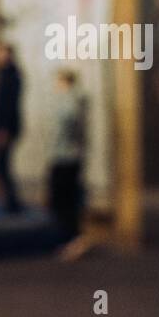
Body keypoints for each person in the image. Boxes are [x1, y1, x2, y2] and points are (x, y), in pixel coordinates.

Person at [48, 68, 92, 262]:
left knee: (64, 201)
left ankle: (74, 239)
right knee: (64, 200)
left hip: (66, 157)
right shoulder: (76, 100)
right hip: (69, 156)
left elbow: (69, 124)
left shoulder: (70, 101)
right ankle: (70, 239)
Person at [0, 42, 23, 213]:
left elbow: (7, 106)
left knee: (2, 165)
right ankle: (8, 202)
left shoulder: (11, 76)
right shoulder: (7, 74)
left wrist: (3, 129)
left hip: (5, 128)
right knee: (1, 165)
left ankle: (10, 203)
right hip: (3, 127)